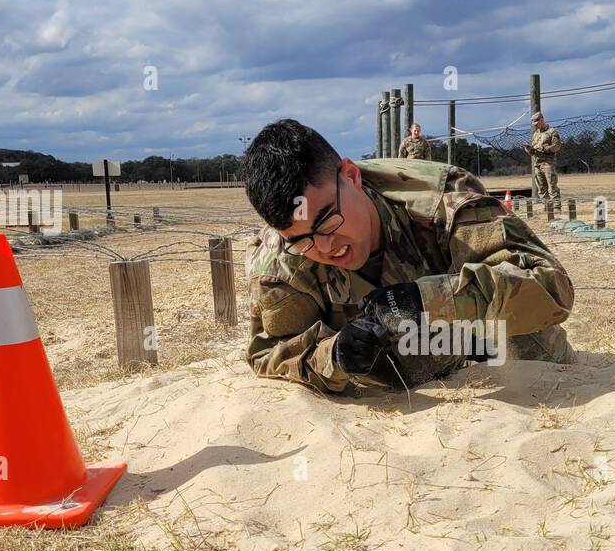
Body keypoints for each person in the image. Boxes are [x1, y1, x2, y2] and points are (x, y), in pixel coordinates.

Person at [242, 119, 574, 393]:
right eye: (302, 240)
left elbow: (552, 288)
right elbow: (268, 352)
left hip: (517, 368)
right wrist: (335, 356)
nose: (325, 247)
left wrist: (429, 300)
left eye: (328, 220)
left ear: (352, 176)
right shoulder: (280, 261)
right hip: (401, 384)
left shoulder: (443, 200)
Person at [526, 111, 561, 201]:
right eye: (534, 124)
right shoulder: (536, 134)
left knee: (552, 186)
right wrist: (530, 150)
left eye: (537, 123)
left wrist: (543, 148)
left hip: (548, 163)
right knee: (541, 189)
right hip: (537, 164)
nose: (536, 125)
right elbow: (534, 148)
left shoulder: (552, 132)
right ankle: (547, 208)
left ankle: (556, 208)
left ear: (542, 120)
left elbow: (556, 146)